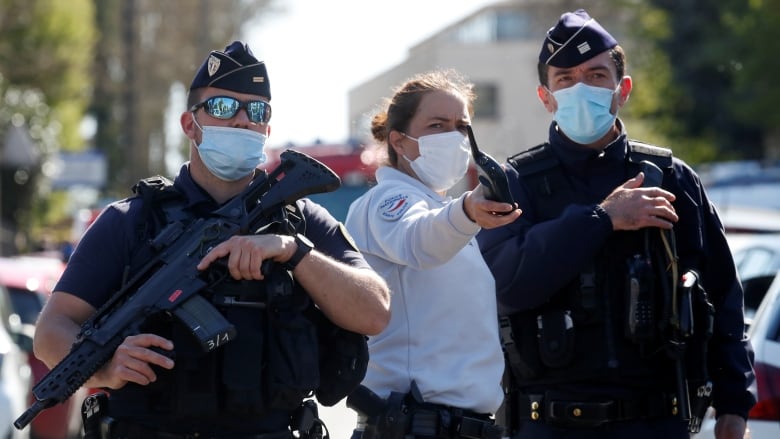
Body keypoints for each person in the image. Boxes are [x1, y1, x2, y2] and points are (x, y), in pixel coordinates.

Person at [33, 41, 391, 438]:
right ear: (190, 124)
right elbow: (50, 332)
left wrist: (293, 252)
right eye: (223, 107)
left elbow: (374, 311)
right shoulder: (130, 222)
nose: (241, 120)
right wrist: (106, 367)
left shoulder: (300, 220)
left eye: (257, 111)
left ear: (266, 129)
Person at [476, 9, 756, 439]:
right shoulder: (515, 183)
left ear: (621, 89)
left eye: (595, 75)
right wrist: (602, 218)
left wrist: (735, 402)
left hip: (657, 420)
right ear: (545, 97)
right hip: (550, 423)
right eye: (565, 79)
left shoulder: (671, 176)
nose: (580, 88)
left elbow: (719, 292)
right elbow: (509, 285)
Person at [344, 69, 522, 439]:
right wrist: (468, 210)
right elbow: (418, 240)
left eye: (461, 126)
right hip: (415, 425)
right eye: (437, 125)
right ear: (400, 141)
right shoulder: (388, 200)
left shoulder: (438, 210)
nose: (453, 137)